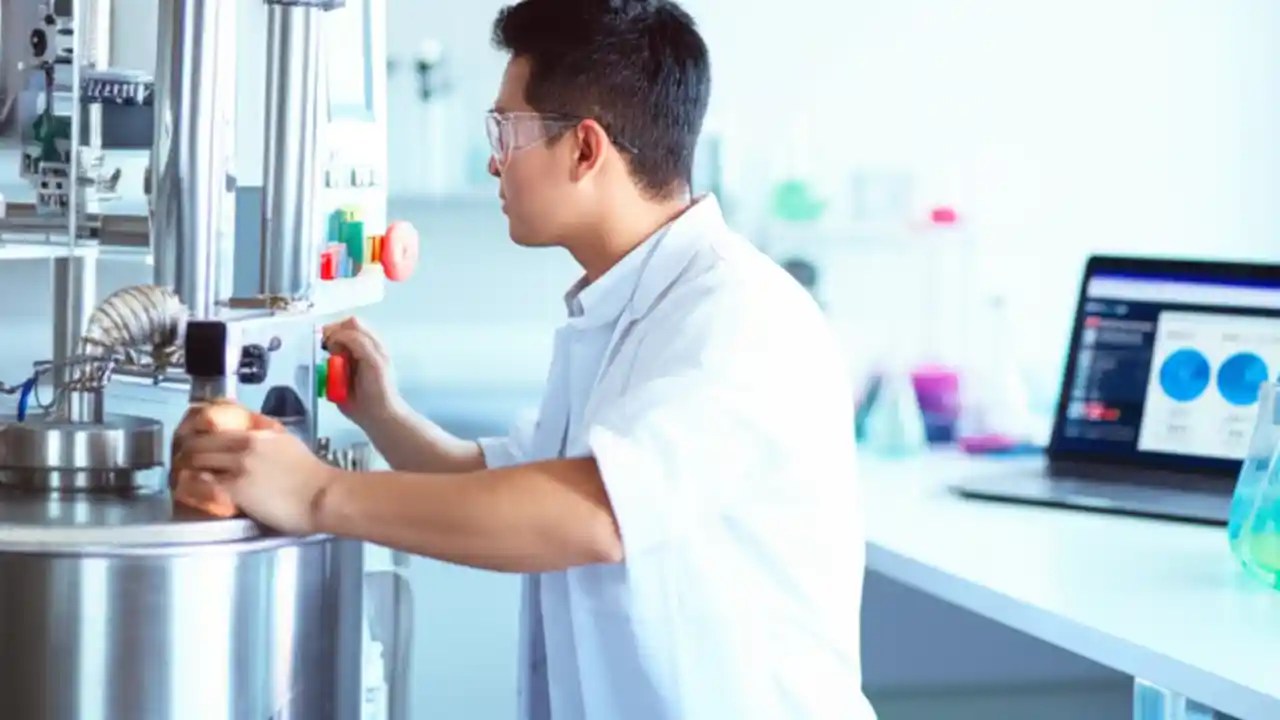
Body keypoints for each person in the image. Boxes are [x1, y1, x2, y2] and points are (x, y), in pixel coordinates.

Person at [173, 0, 875, 717]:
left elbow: (592, 515)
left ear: (584, 148)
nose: (493, 158)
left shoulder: (736, 315)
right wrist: (384, 415)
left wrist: (314, 493)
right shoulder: (619, 308)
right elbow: (506, 479)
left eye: (507, 129)